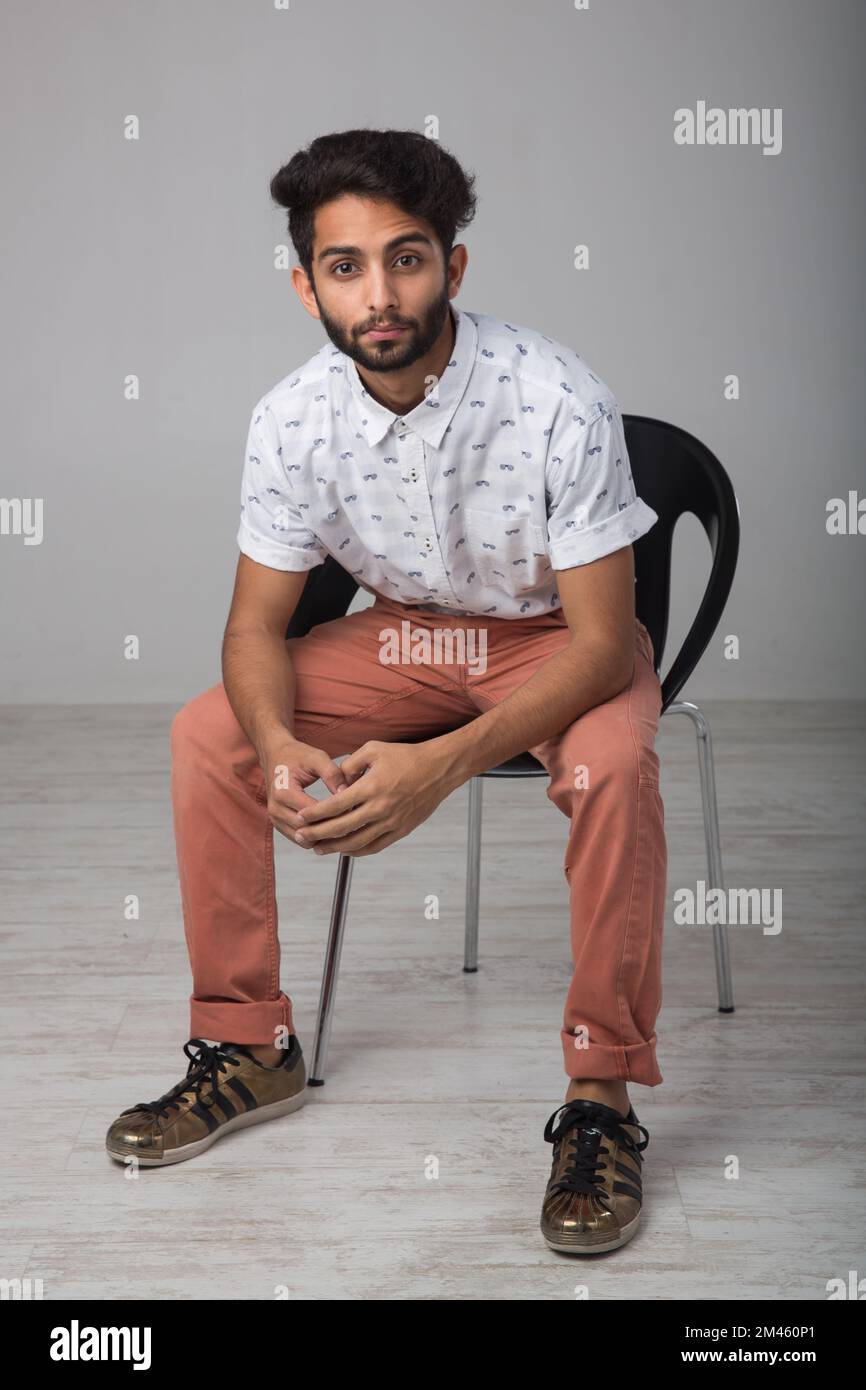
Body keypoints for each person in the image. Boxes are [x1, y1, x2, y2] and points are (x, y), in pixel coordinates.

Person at [105, 128, 666, 1256]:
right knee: (206, 731)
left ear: (452, 269)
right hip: (404, 638)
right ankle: (251, 1047)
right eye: (346, 266)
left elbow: (606, 644)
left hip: (551, 638)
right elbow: (254, 626)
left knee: (609, 765)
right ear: (305, 283)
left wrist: (442, 769)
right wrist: (271, 743)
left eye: (406, 259)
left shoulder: (555, 394)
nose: (379, 294)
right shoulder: (290, 419)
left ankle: (600, 1097)